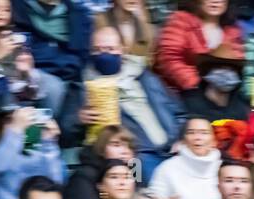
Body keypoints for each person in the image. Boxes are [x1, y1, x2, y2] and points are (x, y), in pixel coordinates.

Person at [68, 25, 182, 182]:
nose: (104, 54)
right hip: (134, 155)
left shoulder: (145, 76)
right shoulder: (83, 87)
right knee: (146, 184)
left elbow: (180, 113)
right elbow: (65, 129)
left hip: (174, 147)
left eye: (110, 48)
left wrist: (182, 139)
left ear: (122, 49)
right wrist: (79, 119)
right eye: (98, 49)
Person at [148, 116, 223, 199]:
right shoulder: (167, 168)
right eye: (191, 132)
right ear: (183, 140)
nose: (197, 137)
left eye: (204, 133)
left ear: (213, 140)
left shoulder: (223, 168)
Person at [155, 0, 244, 95]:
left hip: (221, 95)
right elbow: (170, 59)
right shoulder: (180, 20)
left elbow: (237, 66)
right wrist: (198, 86)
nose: (215, 1)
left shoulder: (233, 31)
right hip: (182, 93)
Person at [64, 125, 139, 199]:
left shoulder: (136, 171)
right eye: (116, 145)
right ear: (102, 149)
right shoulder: (85, 175)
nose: (125, 151)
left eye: (129, 147)